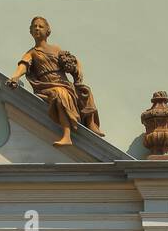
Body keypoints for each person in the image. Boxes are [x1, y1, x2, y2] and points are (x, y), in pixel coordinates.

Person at [6, 17, 102, 146]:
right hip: (47, 84)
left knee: (85, 91)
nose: (37, 29)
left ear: (48, 31)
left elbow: (71, 62)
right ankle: (67, 135)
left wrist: (75, 69)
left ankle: (91, 123)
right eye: (34, 26)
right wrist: (15, 77)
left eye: (40, 26)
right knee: (60, 94)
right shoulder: (32, 53)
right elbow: (23, 65)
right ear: (30, 31)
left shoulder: (56, 49)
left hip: (63, 81)